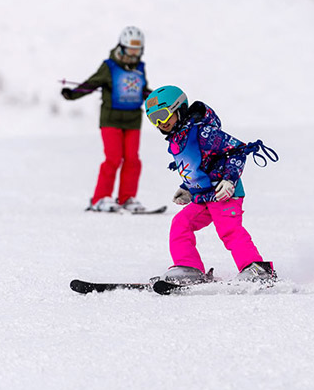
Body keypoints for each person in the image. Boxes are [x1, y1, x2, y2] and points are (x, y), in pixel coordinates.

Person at [143, 85, 275, 283]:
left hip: (224, 194)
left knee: (229, 229)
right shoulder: (178, 138)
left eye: (162, 115)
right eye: (154, 119)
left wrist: (229, 180)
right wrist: (188, 188)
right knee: (181, 223)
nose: (160, 123)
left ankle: (257, 269)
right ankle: (189, 268)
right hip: (204, 196)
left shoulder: (203, 132)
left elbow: (237, 150)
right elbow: (199, 166)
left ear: (179, 109)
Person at [61, 26, 151, 212]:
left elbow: (142, 90)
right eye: (130, 50)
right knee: (113, 158)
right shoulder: (109, 67)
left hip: (133, 120)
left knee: (132, 160)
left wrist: (156, 98)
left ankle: (127, 198)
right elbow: (91, 84)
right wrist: (73, 94)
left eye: (137, 50)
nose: (134, 54)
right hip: (111, 120)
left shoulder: (140, 68)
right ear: (122, 47)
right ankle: (100, 198)